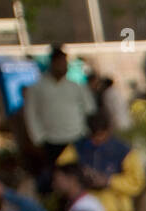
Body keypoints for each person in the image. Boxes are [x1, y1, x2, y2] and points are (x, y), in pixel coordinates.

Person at [24, 45, 95, 192]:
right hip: (51, 141)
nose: (63, 66)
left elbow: (90, 110)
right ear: (52, 63)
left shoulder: (75, 86)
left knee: (77, 177)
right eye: (59, 63)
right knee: (55, 179)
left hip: (76, 138)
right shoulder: (37, 88)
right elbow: (30, 114)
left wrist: (88, 133)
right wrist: (38, 139)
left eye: (65, 63)